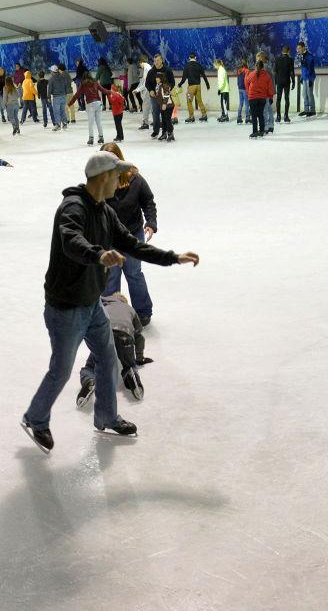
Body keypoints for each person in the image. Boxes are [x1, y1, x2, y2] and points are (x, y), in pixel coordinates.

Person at [20, 152, 200, 453]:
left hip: (92, 304)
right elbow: (70, 239)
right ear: (103, 177)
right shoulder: (72, 208)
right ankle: (35, 418)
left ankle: (105, 417)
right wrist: (98, 255)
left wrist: (172, 258)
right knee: (61, 370)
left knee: (109, 358)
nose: (121, 181)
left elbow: (131, 244)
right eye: (117, 176)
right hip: (66, 307)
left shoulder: (104, 211)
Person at [99, 143, 158, 324]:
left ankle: (143, 312)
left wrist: (150, 223)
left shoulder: (136, 179)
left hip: (132, 235)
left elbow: (148, 201)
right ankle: (110, 314)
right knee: (111, 277)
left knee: (134, 274)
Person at [75, 291, 147, 406]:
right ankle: (131, 375)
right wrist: (139, 357)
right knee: (129, 365)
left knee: (90, 367)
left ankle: (89, 380)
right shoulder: (130, 309)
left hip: (105, 335)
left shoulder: (103, 306)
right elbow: (139, 336)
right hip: (125, 336)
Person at [246, 57, 275, 139]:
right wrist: (270, 97)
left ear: (255, 66)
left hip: (252, 98)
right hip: (262, 98)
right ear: (263, 67)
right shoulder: (267, 75)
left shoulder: (251, 74)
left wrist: (249, 93)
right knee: (261, 115)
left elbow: (247, 82)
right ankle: (261, 131)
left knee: (254, 116)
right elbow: (270, 88)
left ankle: (255, 132)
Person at [76, 73, 107, 145]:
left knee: (91, 123)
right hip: (99, 103)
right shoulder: (95, 82)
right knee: (99, 122)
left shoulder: (83, 84)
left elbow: (77, 95)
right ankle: (101, 138)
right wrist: (111, 92)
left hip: (90, 104)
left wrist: (69, 103)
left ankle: (91, 139)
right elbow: (103, 90)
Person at [181, 52, 209, 122]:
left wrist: (180, 84)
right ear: (195, 57)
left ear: (189, 58)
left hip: (191, 87)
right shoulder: (199, 65)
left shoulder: (187, 65)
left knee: (189, 101)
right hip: (198, 86)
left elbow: (184, 77)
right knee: (199, 100)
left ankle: (191, 116)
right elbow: (203, 75)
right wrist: (207, 84)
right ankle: (204, 115)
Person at [273, 45, 295, 123]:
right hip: (286, 81)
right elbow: (292, 72)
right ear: (288, 51)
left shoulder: (277, 59)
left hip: (279, 81)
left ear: (282, 51)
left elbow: (275, 72)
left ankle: (278, 116)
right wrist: (293, 81)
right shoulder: (290, 60)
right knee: (286, 98)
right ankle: (286, 116)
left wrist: (275, 82)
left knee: (278, 99)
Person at [297, 41, 317, 116]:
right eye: (297, 48)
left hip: (309, 77)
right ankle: (306, 110)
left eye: (299, 48)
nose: (298, 50)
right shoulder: (302, 56)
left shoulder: (309, 56)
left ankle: (312, 110)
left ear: (303, 47)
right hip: (305, 77)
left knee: (309, 94)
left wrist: (311, 80)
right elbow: (303, 68)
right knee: (304, 94)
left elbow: (311, 69)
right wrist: (302, 78)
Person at [235, 59, 250, 125]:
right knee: (247, 104)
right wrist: (248, 90)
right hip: (245, 89)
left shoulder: (239, 71)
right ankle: (247, 118)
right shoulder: (247, 71)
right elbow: (246, 81)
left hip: (240, 89)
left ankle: (239, 117)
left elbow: (238, 81)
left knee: (241, 103)